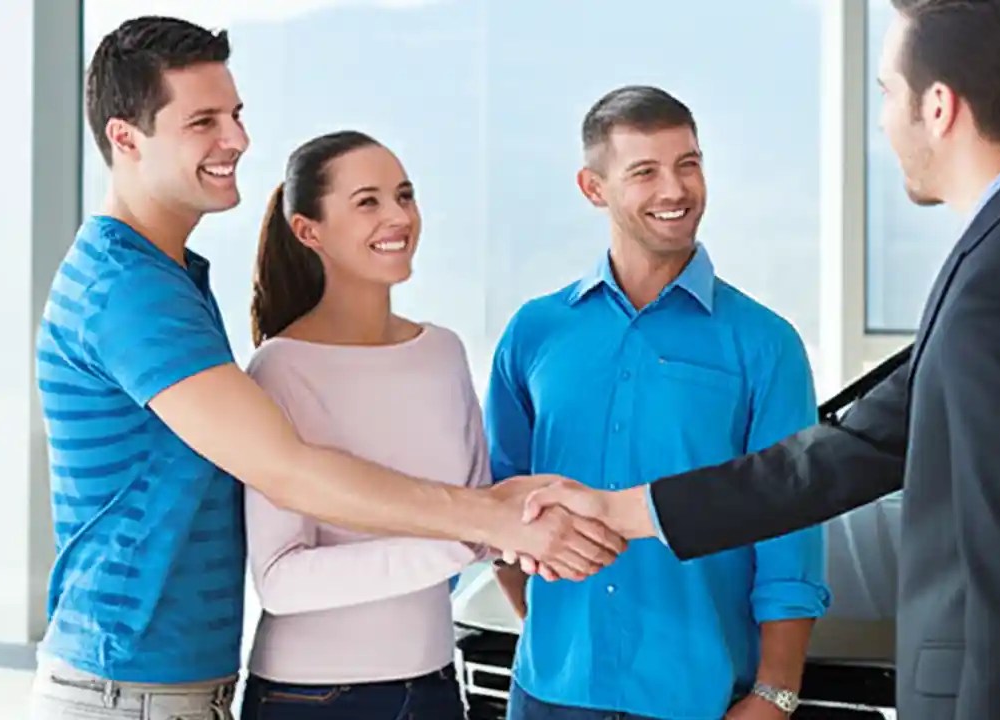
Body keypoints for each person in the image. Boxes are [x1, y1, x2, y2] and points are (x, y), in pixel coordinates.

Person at [521, 3, 1000, 720]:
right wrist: (627, 509)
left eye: (887, 92)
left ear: (938, 107)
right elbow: (862, 447)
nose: (884, 122)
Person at [31, 17, 621, 720]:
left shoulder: (171, 279)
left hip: (168, 686)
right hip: (125, 692)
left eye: (236, 115)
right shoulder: (129, 291)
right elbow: (288, 470)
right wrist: (488, 522)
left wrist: (499, 521)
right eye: (203, 122)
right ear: (126, 138)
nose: (237, 139)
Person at [487, 85, 831, 720]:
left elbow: (792, 528)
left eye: (688, 164)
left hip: (698, 700)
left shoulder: (765, 344)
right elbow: (500, 503)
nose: (675, 189)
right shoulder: (534, 332)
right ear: (593, 188)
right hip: (548, 696)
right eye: (645, 171)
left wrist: (776, 695)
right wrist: (551, 634)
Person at [238, 130, 485, 719]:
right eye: (367, 202)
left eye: (405, 195)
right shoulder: (280, 369)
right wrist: (458, 541)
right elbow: (281, 579)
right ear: (309, 231)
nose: (398, 216)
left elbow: (482, 510)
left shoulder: (443, 352)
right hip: (313, 697)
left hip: (434, 684)